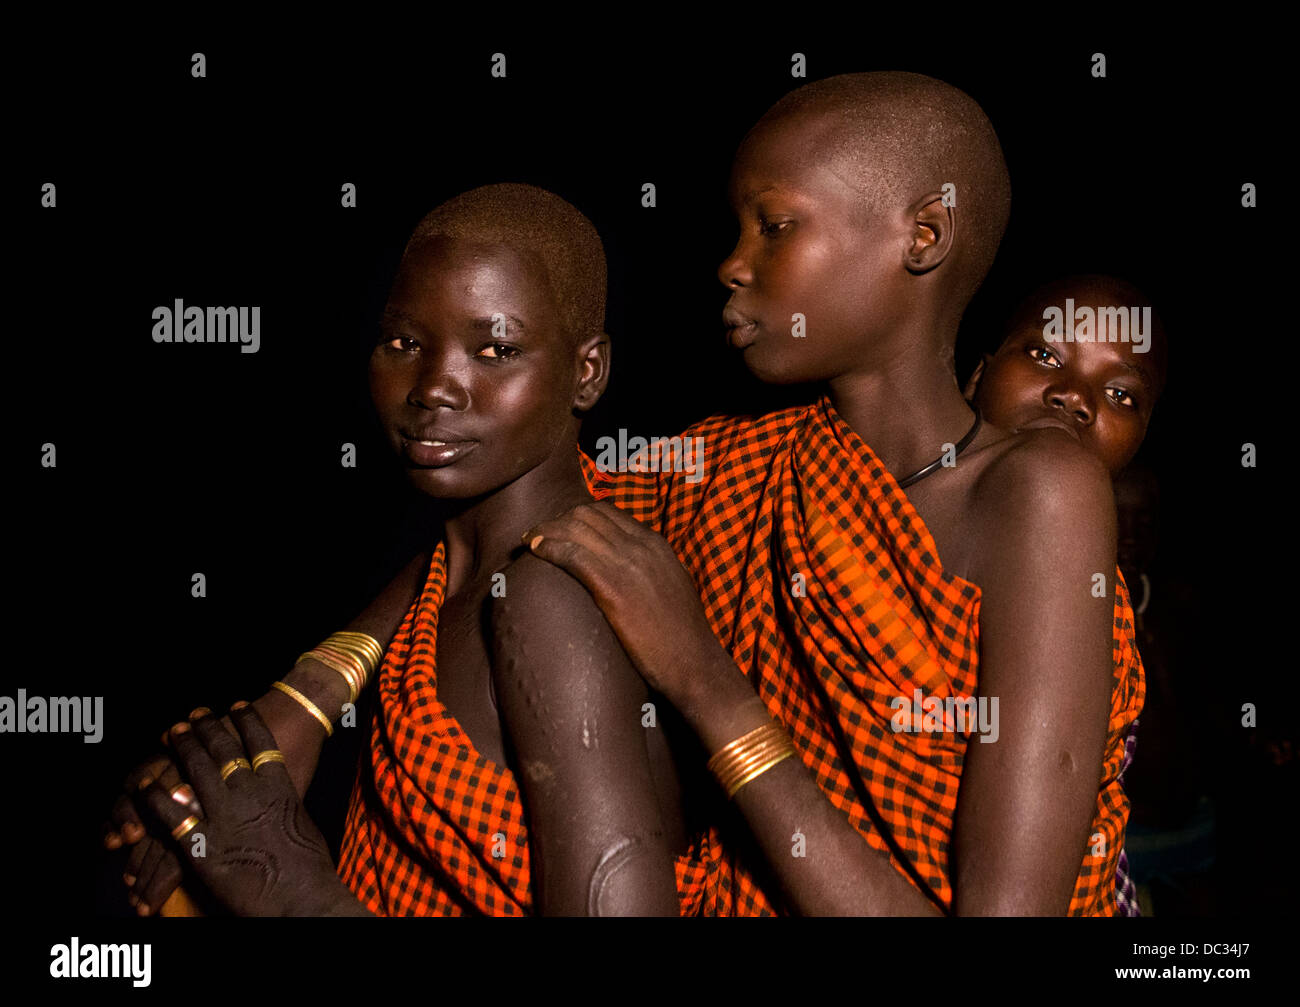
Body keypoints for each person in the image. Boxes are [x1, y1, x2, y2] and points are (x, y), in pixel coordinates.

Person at [524, 72, 1145, 914]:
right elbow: (520, 505)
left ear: (923, 234)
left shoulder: (1040, 489)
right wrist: (317, 690)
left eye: (774, 225)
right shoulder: (740, 463)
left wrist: (705, 682)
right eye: (738, 228)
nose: (732, 264)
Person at [109, 183, 691, 916]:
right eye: (405, 343)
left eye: (496, 349)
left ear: (588, 372)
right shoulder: (447, 577)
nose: (436, 388)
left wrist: (293, 891)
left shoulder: (551, 603)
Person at [964, 272, 1169, 914]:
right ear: (976, 376)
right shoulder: (865, 505)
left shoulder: (1090, 603)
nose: (1075, 397)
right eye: (1046, 355)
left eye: (1120, 395)